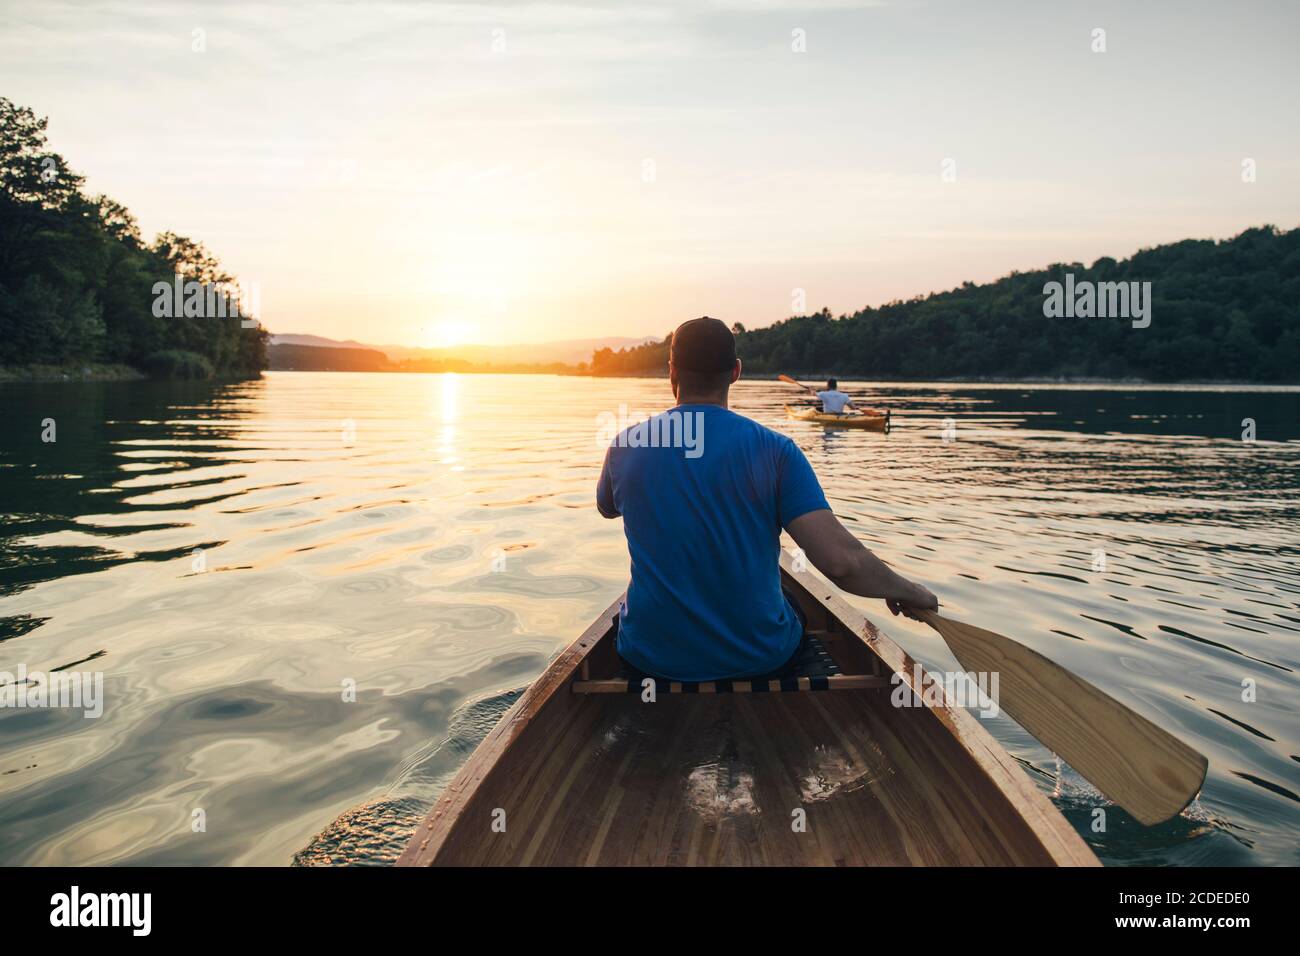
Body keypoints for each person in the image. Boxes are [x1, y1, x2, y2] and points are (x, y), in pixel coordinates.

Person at [596, 316, 937, 683]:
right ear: (736, 372)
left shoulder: (625, 445)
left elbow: (607, 507)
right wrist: (910, 591)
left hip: (650, 656)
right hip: (758, 658)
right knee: (791, 602)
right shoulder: (777, 451)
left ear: (671, 372)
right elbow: (841, 564)